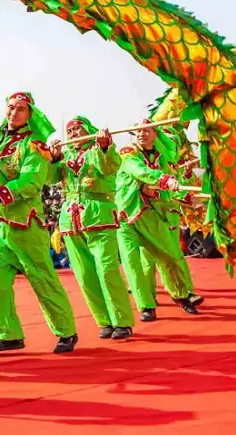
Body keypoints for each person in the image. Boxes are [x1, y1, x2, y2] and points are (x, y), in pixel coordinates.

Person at [0, 92, 78, 354]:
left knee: (42, 280)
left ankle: (66, 331)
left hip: (26, 223)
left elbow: (31, 182)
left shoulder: (34, 145)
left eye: (21, 109)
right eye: (11, 107)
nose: (14, 113)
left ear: (29, 114)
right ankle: (9, 334)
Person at [47, 117, 135, 340]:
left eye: (78, 128)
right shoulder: (65, 156)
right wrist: (53, 157)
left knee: (107, 269)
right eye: (70, 130)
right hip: (70, 218)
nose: (74, 133)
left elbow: (111, 167)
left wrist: (105, 146)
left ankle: (122, 320)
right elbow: (48, 179)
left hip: (99, 214)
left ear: (88, 129)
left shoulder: (99, 148)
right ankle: (104, 320)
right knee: (85, 274)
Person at [115, 120, 200, 321]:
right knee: (132, 264)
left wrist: (184, 198)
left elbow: (167, 189)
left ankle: (180, 294)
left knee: (170, 256)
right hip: (127, 215)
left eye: (146, 130)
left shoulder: (162, 161)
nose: (141, 134)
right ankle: (146, 306)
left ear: (155, 134)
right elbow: (138, 171)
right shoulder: (128, 152)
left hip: (152, 216)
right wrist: (162, 180)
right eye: (137, 131)